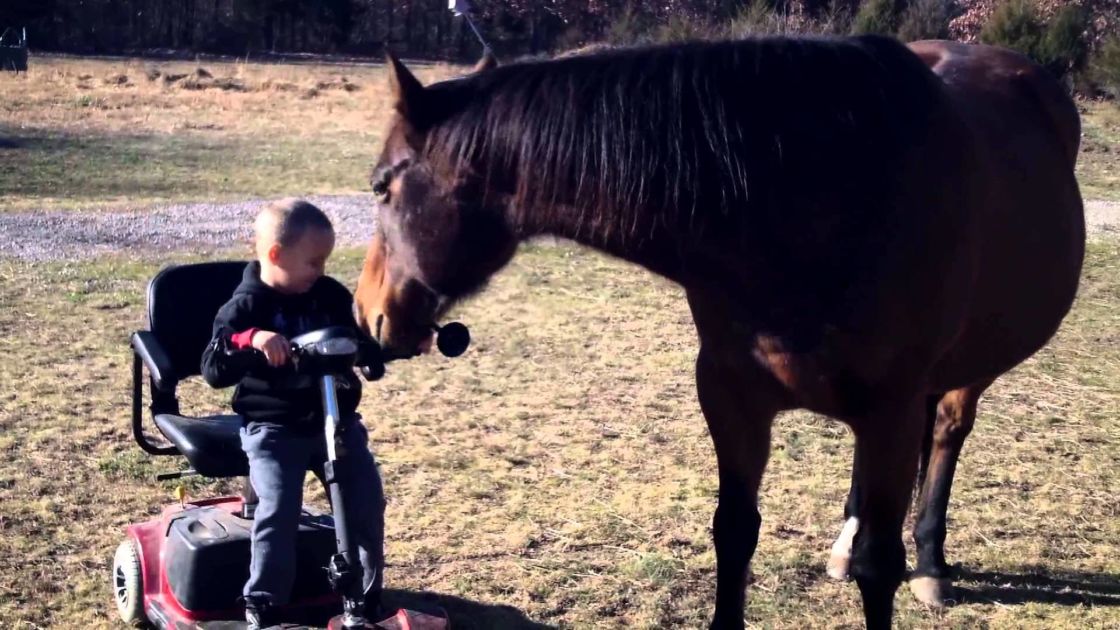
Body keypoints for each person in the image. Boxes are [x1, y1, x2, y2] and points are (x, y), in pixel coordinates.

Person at [201, 198, 384, 629]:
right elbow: (214, 366)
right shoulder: (244, 308)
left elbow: (359, 340)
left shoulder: (329, 295)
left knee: (365, 499)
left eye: (325, 261)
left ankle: (364, 599)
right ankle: (263, 603)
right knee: (280, 505)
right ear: (276, 255)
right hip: (273, 427)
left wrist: (377, 351)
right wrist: (253, 340)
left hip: (334, 422)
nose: (321, 271)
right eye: (313, 262)